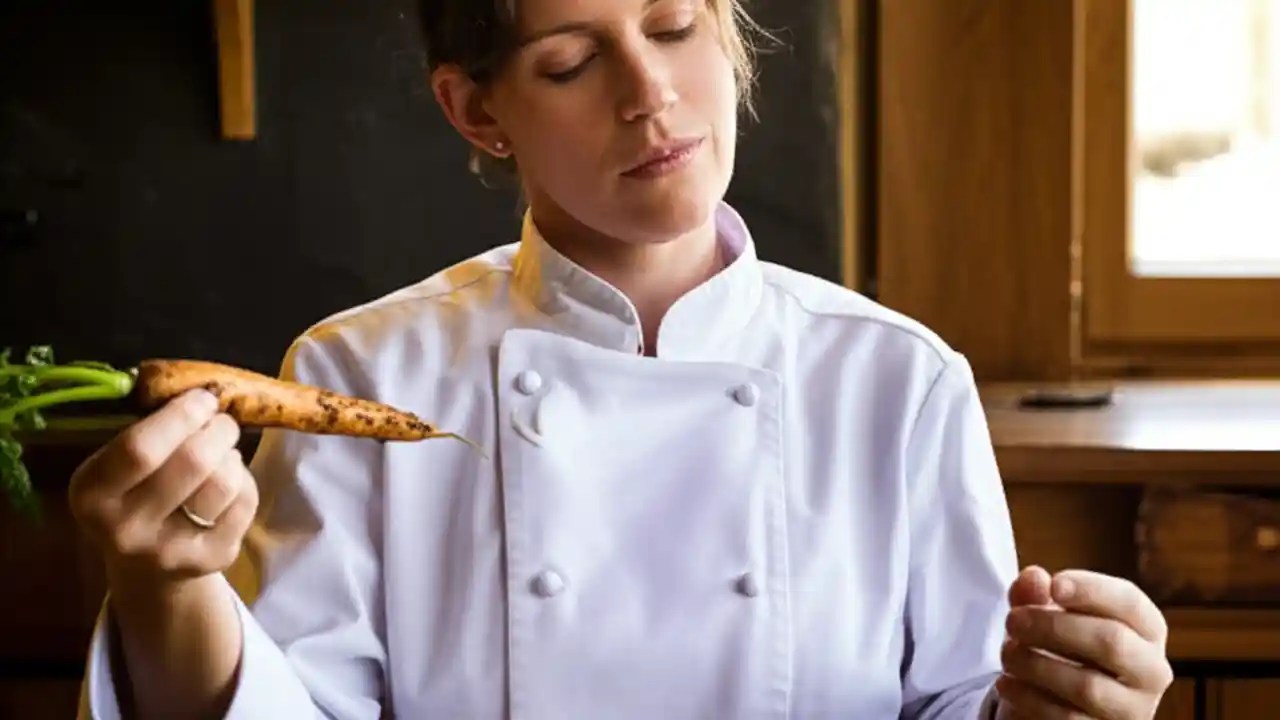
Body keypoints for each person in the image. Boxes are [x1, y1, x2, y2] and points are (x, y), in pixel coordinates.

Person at [70, 0, 1174, 718]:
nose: (649, 94)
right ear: (474, 109)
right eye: (570, 61)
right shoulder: (359, 373)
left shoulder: (897, 379)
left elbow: (966, 701)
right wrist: (165, 581)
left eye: (672, 24)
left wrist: (1064, 694)